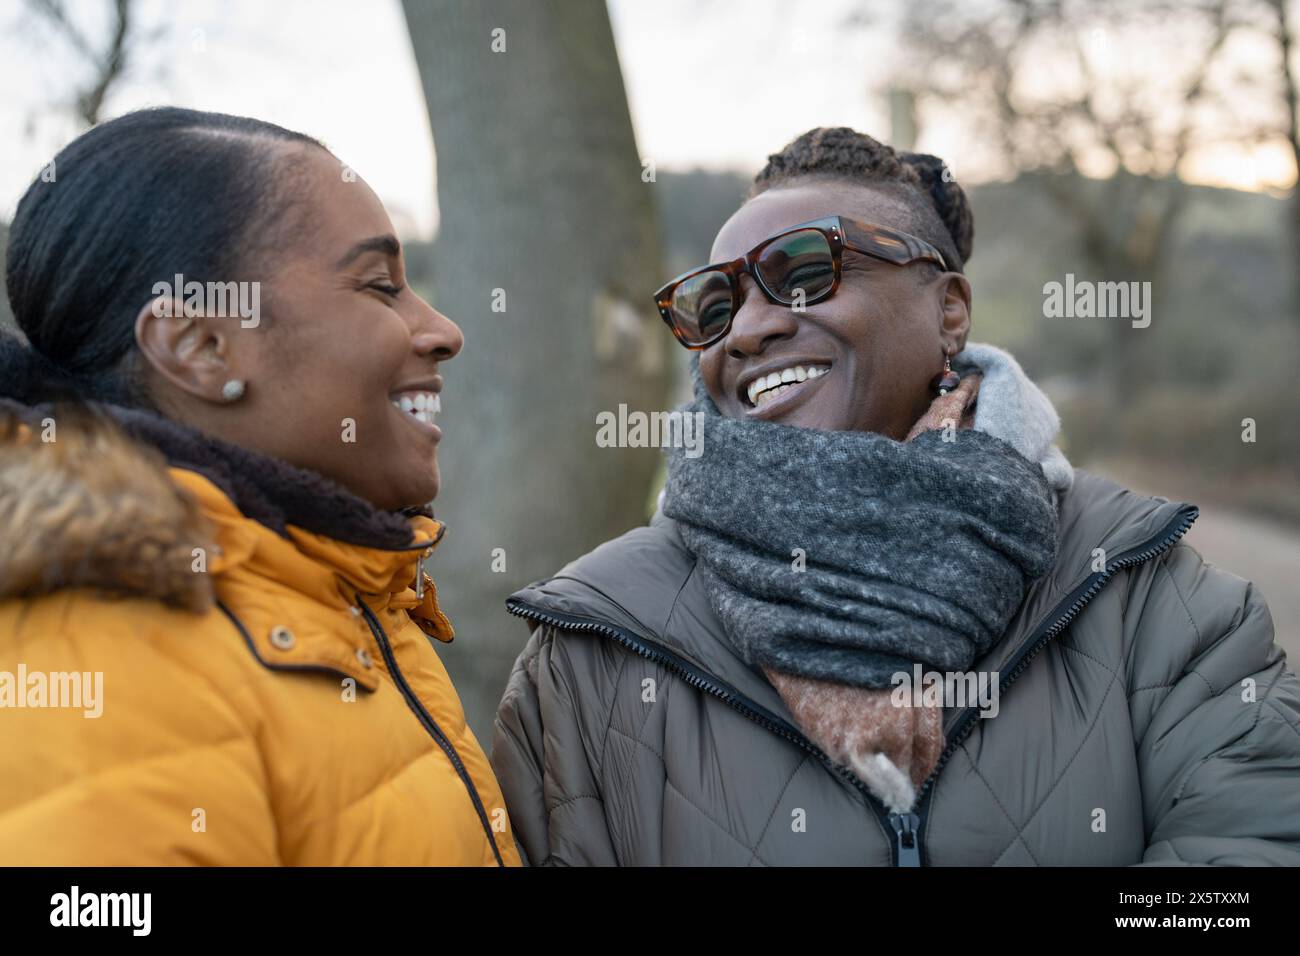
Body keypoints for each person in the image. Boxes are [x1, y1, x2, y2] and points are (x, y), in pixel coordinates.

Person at [491, 127, 1300, 866]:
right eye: (716, 305)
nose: (746, 331)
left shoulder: (1158, 606)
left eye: (804, 271)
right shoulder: (591, 653)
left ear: (949, 311)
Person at [0, 107, 519, 866]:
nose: (443, 330)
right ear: (202, 347)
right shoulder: (105, 670)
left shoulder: (336, 599)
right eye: (380, 287)